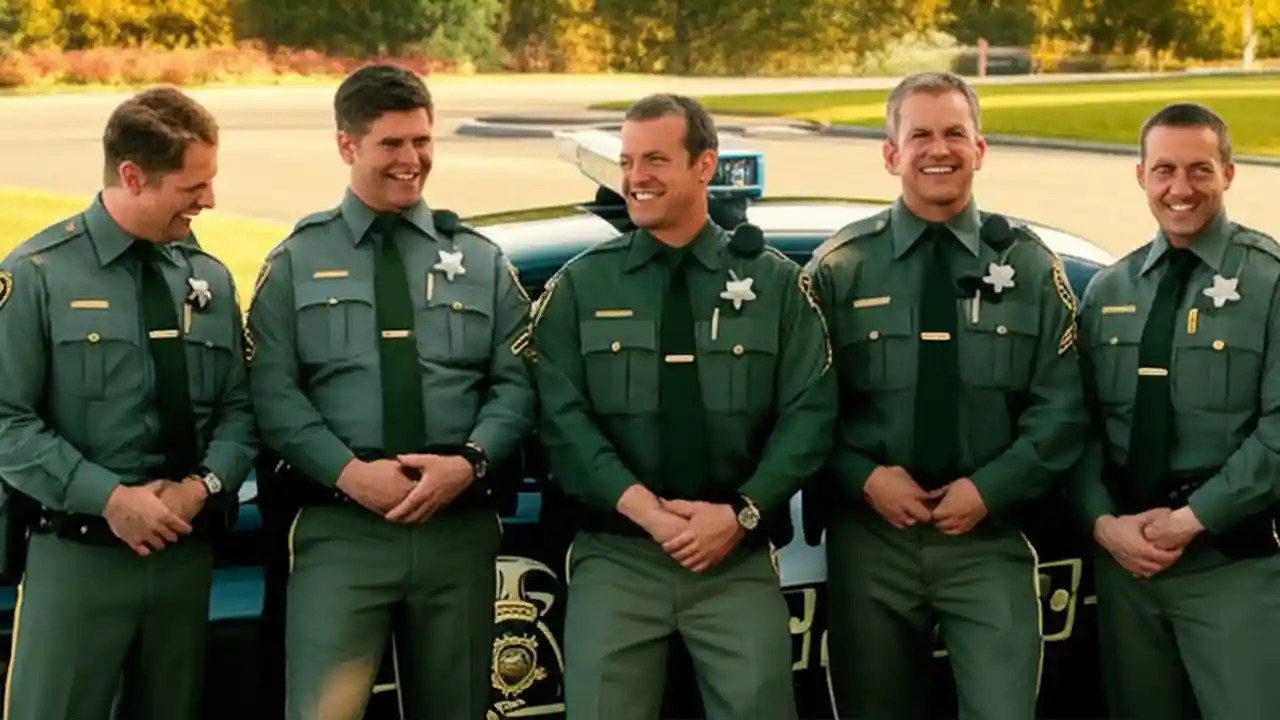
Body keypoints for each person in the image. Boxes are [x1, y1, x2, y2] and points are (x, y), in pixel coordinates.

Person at [529, 93, 835, 720]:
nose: (636, 177)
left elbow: (811, 413)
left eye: (656, 160)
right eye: (627, 161)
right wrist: (648, 512)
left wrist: (743, 513)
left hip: (736, 557)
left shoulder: (775, 284)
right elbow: (559, 421)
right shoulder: (581, 287)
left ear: (704, 165)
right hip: (617, 557)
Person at [246, 63, 535, 720]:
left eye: (422, 141)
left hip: (456, 528)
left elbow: (517, 385)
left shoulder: (480, 260)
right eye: (392, 144)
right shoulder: (296, 261)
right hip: (341, 529)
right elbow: (273, 395)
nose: (412, 160)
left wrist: (469, 463)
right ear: (347, 146)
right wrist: (350, 474)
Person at [804, 70, 1088, 719]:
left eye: (955, 134)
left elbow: (1063, 406)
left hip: (988, 535)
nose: (939, 149)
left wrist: (991, 488)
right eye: (920, 135)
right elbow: (801, 406)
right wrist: (864, 478)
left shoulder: (1029, 267)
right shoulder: (841, 268)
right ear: (891, 154)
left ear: (979, 149)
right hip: (871, 539)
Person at [0, 86, 257, 720]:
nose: (210, 200)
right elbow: (7, 422)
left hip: (183, 561)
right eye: (193, 185)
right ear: (133, 176)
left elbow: (240, 409)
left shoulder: (209, 278)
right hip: (78, 558)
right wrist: (111, 499)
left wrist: (201, 487)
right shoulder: (36, 275)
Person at [1069, 102, 1280, 720]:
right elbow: (1074, 425)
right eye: (1164, 170)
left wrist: (1191, 520)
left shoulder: (1268, 282)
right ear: (1141, 175)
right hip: (1126, 568)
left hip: (1230, 565)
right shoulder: (1109, 289)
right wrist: (1102, 524)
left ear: (1228, 173)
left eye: (1199, 170)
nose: (1180, 188)